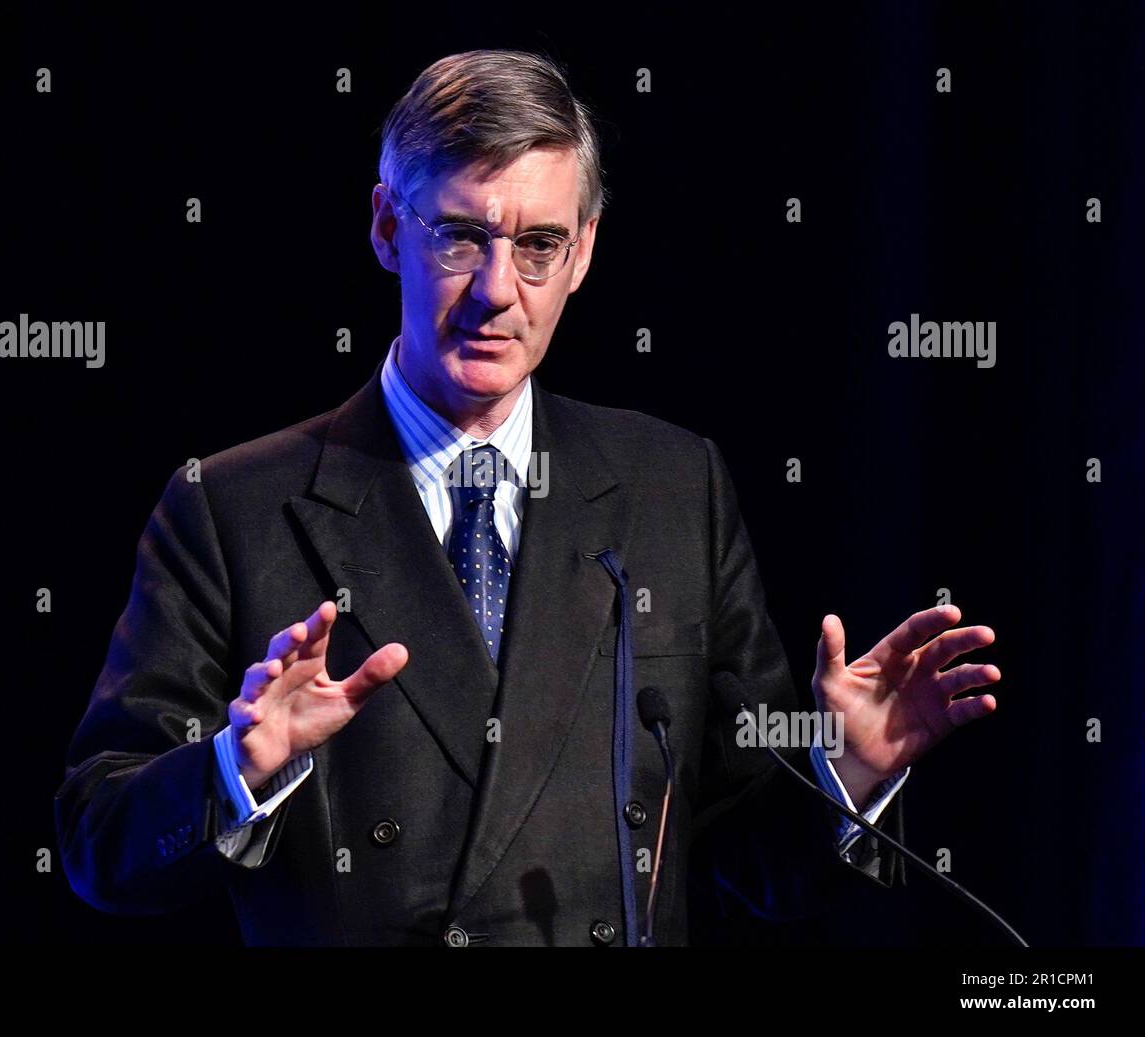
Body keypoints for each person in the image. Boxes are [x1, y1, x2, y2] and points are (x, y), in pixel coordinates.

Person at [55, 49, 1001, 947]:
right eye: (461, 236)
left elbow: (745, 856)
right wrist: (235, 768)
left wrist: (848, 773)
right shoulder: (233, 507)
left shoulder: (675, 487)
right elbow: (101, 842)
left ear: (584, 252)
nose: (498, 292)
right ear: (388, 227)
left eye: (540, 243)